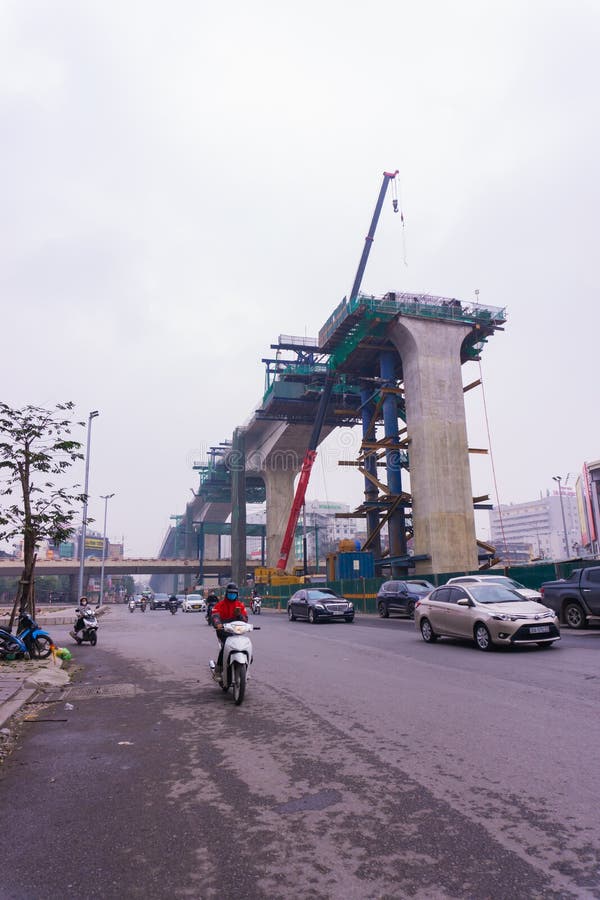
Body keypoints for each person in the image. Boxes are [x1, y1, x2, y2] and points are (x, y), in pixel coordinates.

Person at [211, 582, 248, 677]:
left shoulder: (240, 605)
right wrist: (218, 623)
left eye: (234, 593)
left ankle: (246, 665)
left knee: (246, 645)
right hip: (223, 631)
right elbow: (215, 616)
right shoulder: (220, 605)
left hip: (237, 631)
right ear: (226, 593)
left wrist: (239, 615)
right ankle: (218, 670)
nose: (232, 595)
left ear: (237, 594)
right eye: (230, 593)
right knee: (225, 646)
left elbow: (245, 619)